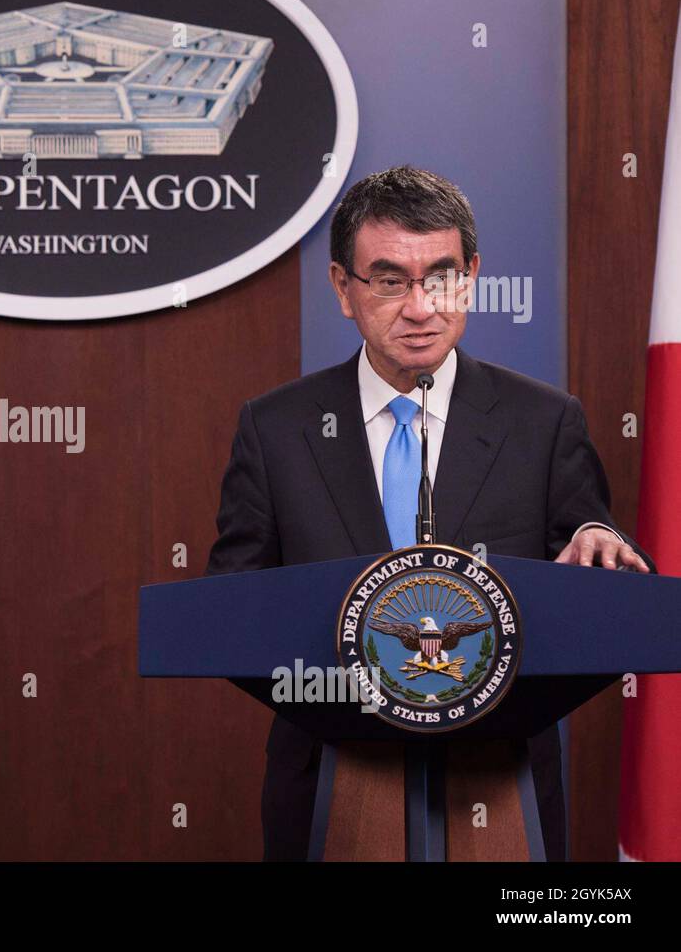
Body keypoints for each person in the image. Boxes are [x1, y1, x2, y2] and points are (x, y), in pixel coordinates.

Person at [207, 165, 652, 862]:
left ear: (471, 274)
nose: (420, 307)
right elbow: (234, 607)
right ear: (342, 288)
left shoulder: (545, 422)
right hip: (332, 785)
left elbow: (587, 557)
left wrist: (600, 540)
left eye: (440, 276)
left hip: (500, 792)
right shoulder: (277, 428)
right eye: (388, 281)